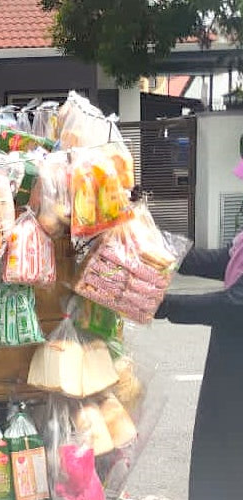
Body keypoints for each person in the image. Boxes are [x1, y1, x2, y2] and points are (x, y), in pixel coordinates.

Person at [154, 159, 243, 500]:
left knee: (228, 454)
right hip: (230, 357)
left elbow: (234, 304)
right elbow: (224, 261)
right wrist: (162, 247)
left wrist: (165, 305)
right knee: (218, 446)